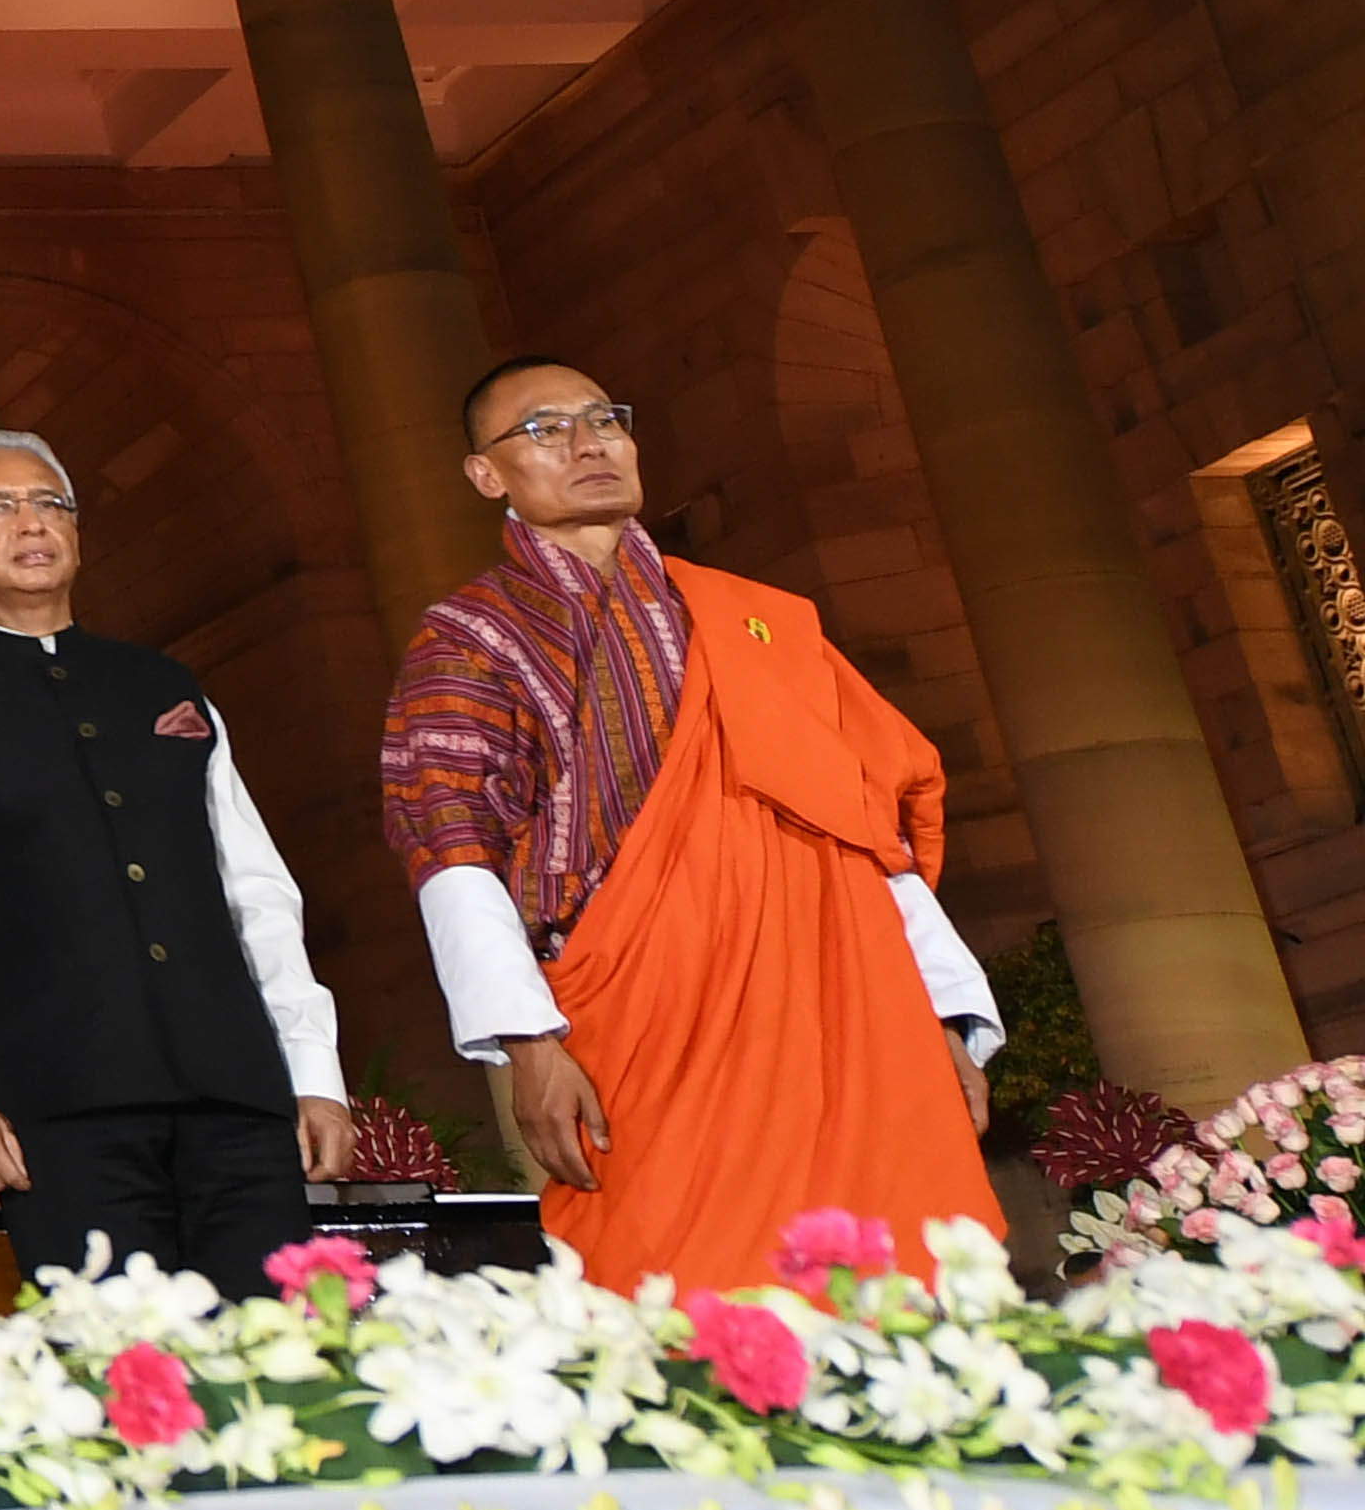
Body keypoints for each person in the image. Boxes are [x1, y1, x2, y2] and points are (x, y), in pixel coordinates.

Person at [379, 357, 999, 1292]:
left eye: (606, 419)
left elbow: (864, 819)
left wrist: (943, 1009)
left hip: (841, 1001)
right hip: (645, 1024)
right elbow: (451, 844)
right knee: (681, 1292)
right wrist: (526, 1047)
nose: (590, 443)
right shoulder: (471, 636)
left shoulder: (757, 619)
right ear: (485, 474)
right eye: (545, 430)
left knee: (905, 1272)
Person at [0, 432, 350, 1289]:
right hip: (53, 1109)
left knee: (285, 1371)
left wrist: (315, 1071)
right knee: (127, 1386)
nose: (30, 522)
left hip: (236, 1094)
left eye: (49, 502)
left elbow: (257, 889)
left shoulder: (163, 684)